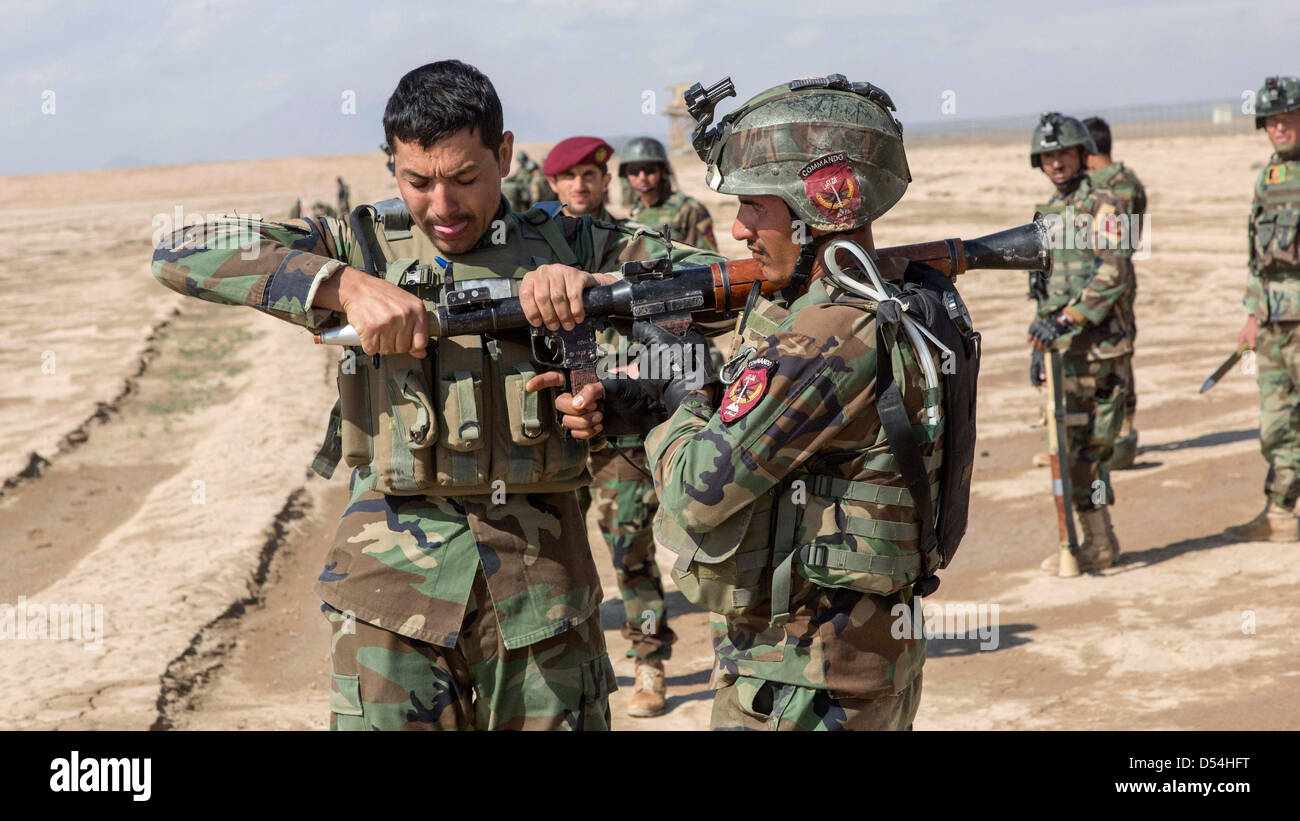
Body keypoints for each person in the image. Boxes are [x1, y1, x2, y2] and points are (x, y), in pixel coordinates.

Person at [150, 59, 721, 730]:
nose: (442, 207)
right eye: (416, 181)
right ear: (389, 163)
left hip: (543, 602)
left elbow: (717, 287)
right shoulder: (362, 244)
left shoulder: (571, 239)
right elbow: (180, 252)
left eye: (464, 178)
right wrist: (343, 285)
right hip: (390, 604)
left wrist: (590, 291)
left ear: (504, 155)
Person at [637, 75, 943, 730]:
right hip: (861, 663)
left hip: (802, 679)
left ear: (816, 211)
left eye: (756, 206)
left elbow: (696, 490)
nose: (740, 227)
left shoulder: (830, 328)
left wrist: (681, 393)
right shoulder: (895, 296)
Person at [1026, 112, 1134, 574]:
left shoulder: (1107, 204)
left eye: (1063, 154)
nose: (1056, 163)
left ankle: (1099, 540)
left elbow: (1115, 271)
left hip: (1101, 349)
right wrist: (1038, 341)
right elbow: (1042, 288)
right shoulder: (1047, 213)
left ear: (1080, 154)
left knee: (1094, 450)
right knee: (1068, 452)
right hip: (1062, 352)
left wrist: (1068, 318)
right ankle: (1097, 538)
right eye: (1048, 156)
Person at [1225, 76, 1300, 543]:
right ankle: (1281, 512)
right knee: (1277, 420)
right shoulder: (1268, 177)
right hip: (1273, 321)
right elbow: (1257, 256)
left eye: (1288, 117)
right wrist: (1253, 314)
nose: (1279, 127)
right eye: (1271, 121)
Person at [1084, 116, 1146, 469]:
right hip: (1119, 274)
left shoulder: (1109, 188)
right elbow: (1137, 236)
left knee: (1116, 351)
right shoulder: (1131, 181)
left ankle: (1120, 433)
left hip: (1109, 278)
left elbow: (1114, 242)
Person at [620, 136, 718, 251]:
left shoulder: (688, 209)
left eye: (649, 169)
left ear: (662, 171)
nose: (642, 177)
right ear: (626, 174)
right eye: (634, 171)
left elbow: (707, 258)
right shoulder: (631, 212)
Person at [543, 137, 623, 223]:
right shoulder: (533, 235)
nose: (579, 187)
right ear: (553, 183)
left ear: (605, 182)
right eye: (569, 176)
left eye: (588, 175)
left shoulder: (632, 235)